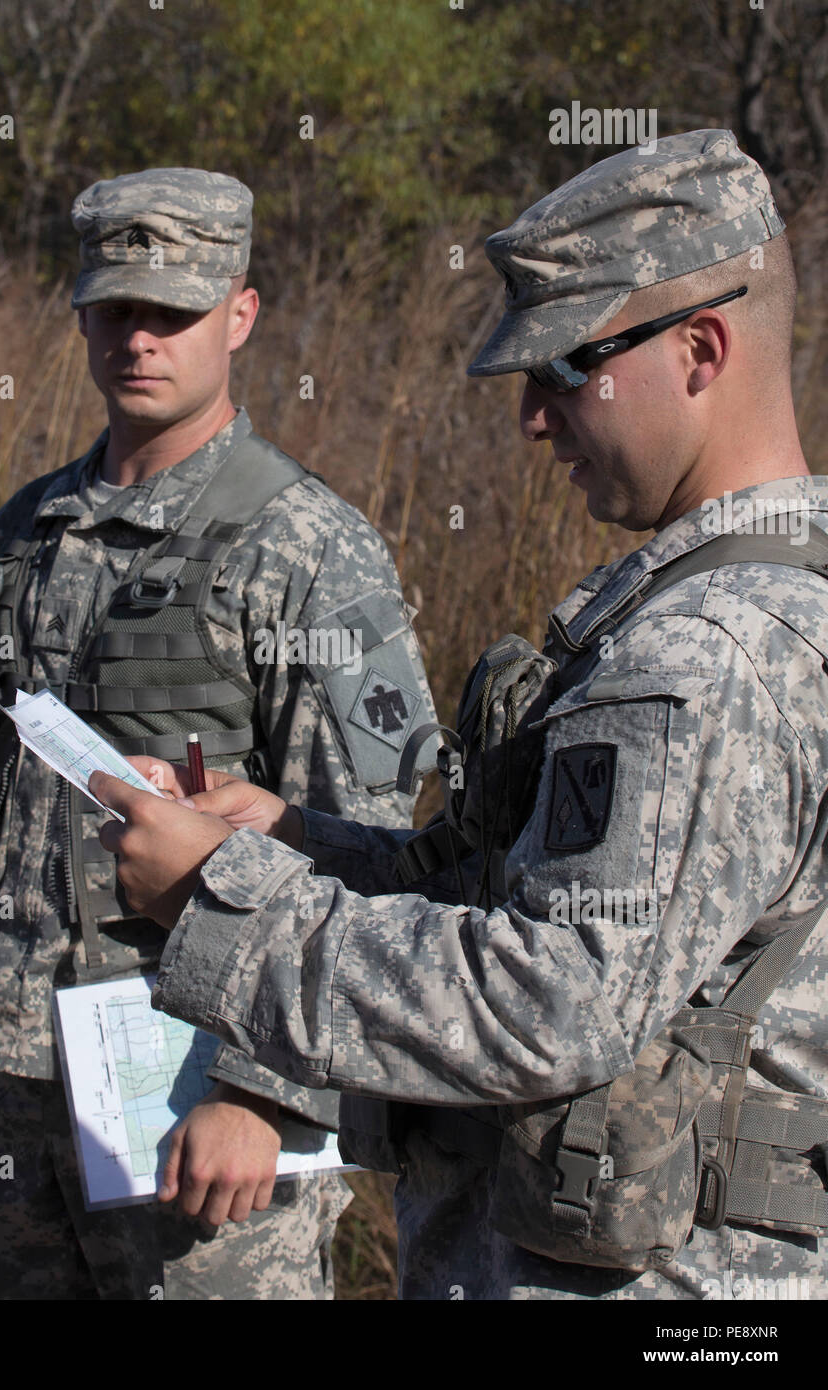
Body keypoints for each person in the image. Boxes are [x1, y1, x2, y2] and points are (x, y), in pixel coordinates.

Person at [89, 131, 828, 1300]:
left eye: (562, 369)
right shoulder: (726, 605)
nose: (533, 419)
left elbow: (551, 1000)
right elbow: (534, 900)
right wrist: (288, 842)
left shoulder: (705, 656)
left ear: (700, 348)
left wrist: (220, 900)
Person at [0, 168, 438, 1300]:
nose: (141, 338)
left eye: (174, 312)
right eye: (117, 308)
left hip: (191, 1100)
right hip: (0, 1090)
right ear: (80, 312)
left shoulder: (306, 548)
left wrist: (268, 1094)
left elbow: (362, 852)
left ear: (240, 317)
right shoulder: (27, 530)